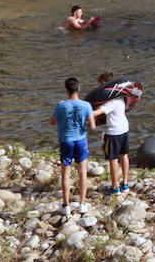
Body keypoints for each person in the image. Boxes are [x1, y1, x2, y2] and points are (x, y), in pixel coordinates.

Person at [51, 76, 96, 215]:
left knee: (66, 173)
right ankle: (82, 204)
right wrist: (84, 122)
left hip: (66, 141)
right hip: (80, 140)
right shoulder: (86, 105)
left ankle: (66, 206)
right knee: (82, 172)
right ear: (79, 88)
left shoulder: (61, 105)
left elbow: (52, 122)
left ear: (66, 89)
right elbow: (93, 126)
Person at [91, 72, 131, 194]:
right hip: (124, 129)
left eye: (101, 85)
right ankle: (125, 183)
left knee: (113, 159)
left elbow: (94, 114)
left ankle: (115, 188)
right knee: (124, 155)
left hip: (113, 133)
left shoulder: (110, 102)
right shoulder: (122, 98)